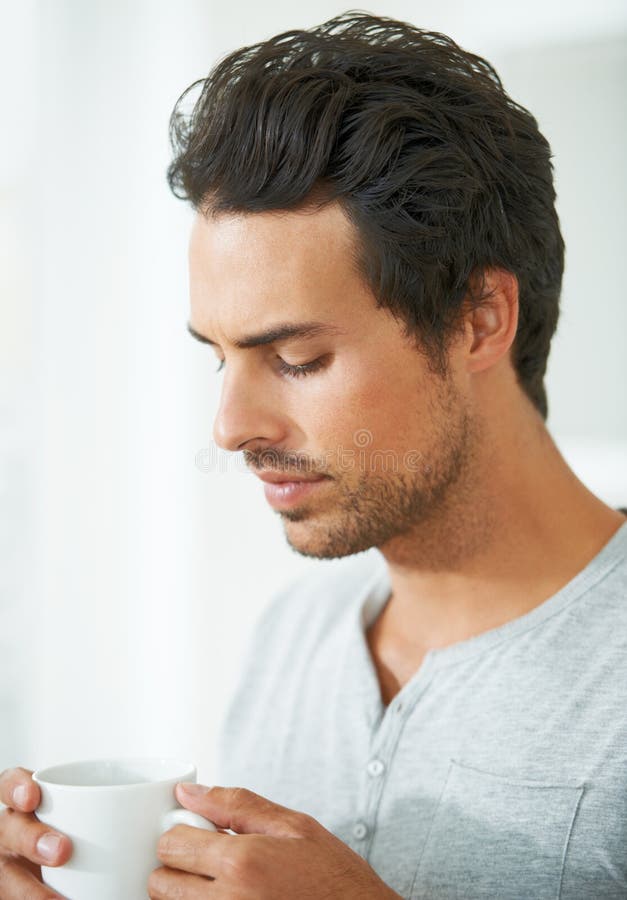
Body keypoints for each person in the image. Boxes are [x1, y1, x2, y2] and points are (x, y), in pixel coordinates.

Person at [1, 10, 626, 898]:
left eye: (296, 359)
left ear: (479, 320)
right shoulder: (289, 643)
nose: (229, 427)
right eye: (219, 357)